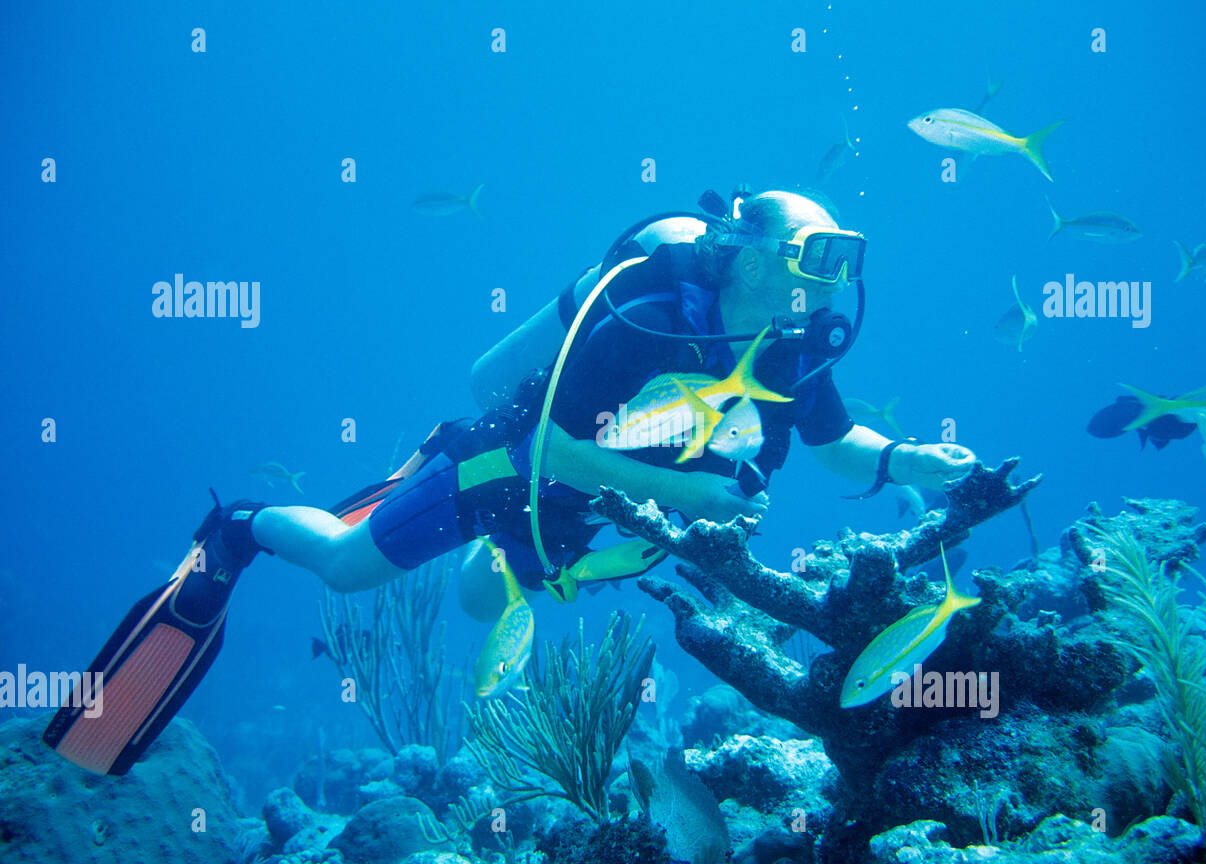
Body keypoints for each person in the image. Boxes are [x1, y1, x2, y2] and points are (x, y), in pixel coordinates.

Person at [44, 188, 975, 775]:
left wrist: (903, 461)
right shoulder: (642, 316)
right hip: (512, 460)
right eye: (809, 255)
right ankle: (241, 528)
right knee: (346, 569)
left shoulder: (795, 347)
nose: (825, 281)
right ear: (747, 249)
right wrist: (692, 497)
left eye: (840, 260)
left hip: (591, 502)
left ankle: (447, 521)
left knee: (487, 603)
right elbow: (554, 448)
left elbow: (835, 438)